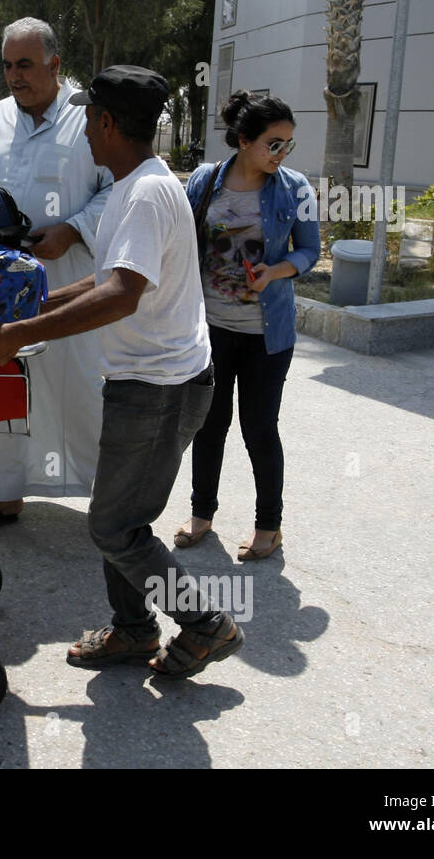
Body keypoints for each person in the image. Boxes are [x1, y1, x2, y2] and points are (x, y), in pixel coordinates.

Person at [0, 65, 242, 678]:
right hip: (146, 380)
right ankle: (134, 631)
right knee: (121, 518)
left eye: (89, 117)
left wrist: (15, 337)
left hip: (160, 389)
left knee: (115, 528)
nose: (83, 129)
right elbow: (105, 277)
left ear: (108, 123)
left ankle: (204, 623)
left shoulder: (143, 194)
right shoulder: (135, 184)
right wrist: (33, 306)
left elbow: (120, 295)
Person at [0, 17, 113, 536]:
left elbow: (117, 187)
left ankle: (111, 510)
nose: (15, 77)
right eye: (8, 66)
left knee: (77, 392)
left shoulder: (90, 117)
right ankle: (1, 496)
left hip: (66, 280)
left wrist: (74, 227)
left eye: (26, 65)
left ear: (55, 65)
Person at [174, 91, 319, 560]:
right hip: (212, 328)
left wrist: (276, 271)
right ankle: (201, 515)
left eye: (287, 145)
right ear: (243, 140)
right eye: (273, 144)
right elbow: (181, 239)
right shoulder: (204, 180)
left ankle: (269, 526)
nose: (281, 154)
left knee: (259, 428)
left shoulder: (295, 188)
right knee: (208, 424)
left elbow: (309, 250)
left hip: (267, 334)